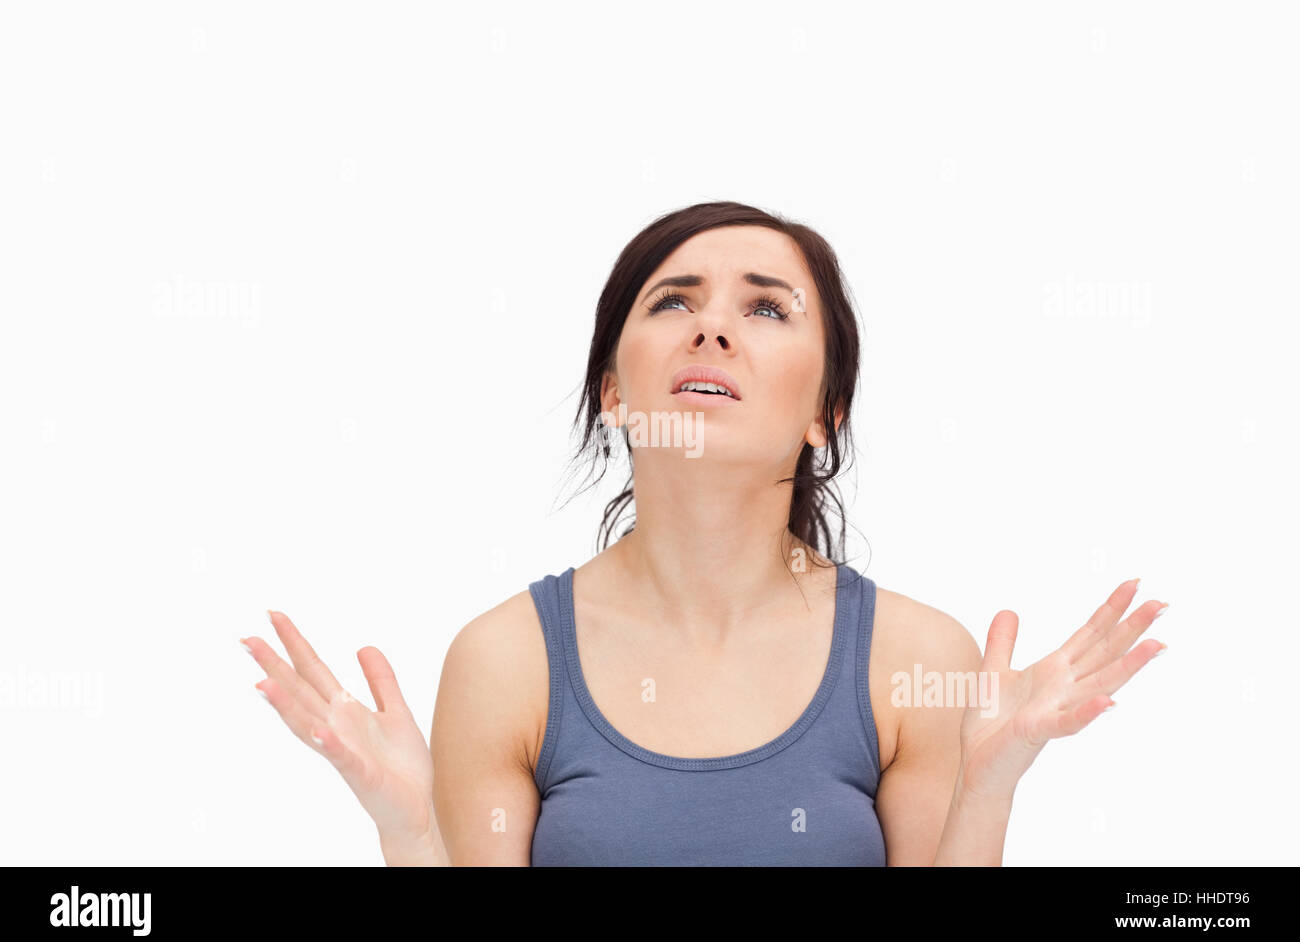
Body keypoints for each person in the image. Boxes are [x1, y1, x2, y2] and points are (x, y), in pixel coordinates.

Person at [240, 201, 1168, 865]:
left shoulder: (913, 658)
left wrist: (989, 790)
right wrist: (410, 840)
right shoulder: (504, 661)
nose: (713, 328)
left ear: (826, 412)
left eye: (767, 308)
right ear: (613, 391)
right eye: (673, 301)